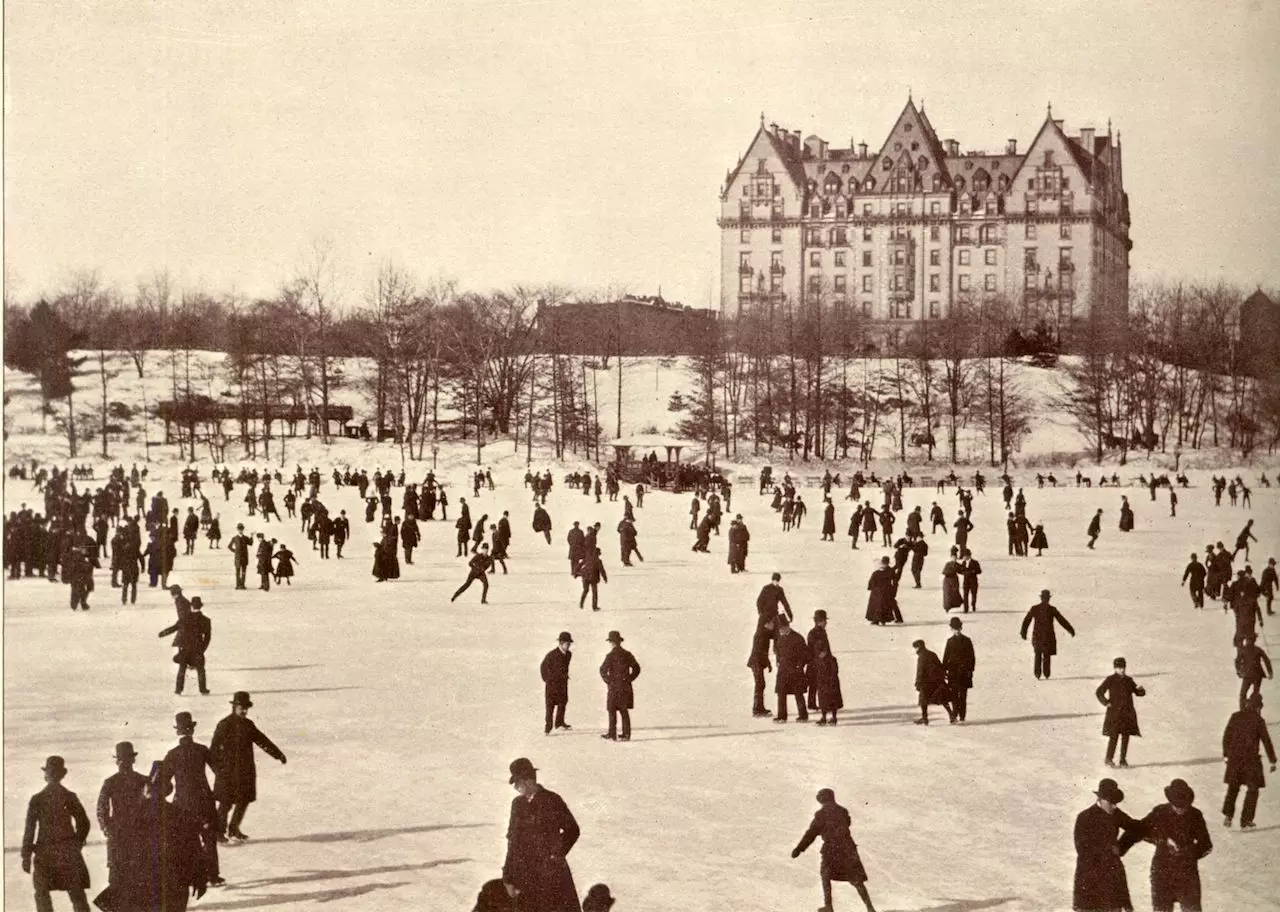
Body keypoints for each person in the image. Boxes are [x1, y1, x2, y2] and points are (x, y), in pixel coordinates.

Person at [502, 758, 581, 911]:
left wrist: (556, 854)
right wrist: (507, 875)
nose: (516, 788)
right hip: (525, 873)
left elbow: (572, 830)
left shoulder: (552, 800)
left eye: (518, 783)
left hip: (551, 873)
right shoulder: (517, 804)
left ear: (528, 781)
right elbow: (513, 840)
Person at [1123, 779, 1212, 912]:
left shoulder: (1195, 815)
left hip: (1187, 874)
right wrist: (1120, 847)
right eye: (1177, 805)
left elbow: (1206, 844)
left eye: (1184, 806)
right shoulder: (1160, 812)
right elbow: (1140, 829)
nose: (1180, 809)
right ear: (1171, 802)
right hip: (1162, 873)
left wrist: (1187, 852)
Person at [210, 691, 287, 843]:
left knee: (243, 801)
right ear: (234, 707)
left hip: (245, 771)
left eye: (246, 708)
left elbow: (262, 740)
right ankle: (219, 832)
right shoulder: (224, 724)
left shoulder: (248, 725)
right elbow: (213, 750)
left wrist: (278, 754)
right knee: (225, 803)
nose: (244, 711)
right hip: (227, 772)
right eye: (241, 708)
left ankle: (234, 829)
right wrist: (218, 770)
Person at [22, 755, 92, 912]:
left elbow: (29, 830)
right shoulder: (69, 796)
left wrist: (26, 856)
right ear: (62, 775)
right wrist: (77, 844)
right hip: (67, 852)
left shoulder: (37, 799)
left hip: (45, 854)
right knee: (77, 895)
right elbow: (84, 823)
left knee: (42, 895)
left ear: (47, 774)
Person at [159, 712, 222, 888]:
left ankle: (189, 877)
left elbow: (163, 782)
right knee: (209, 839)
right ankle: (213, 876)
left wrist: (169, 792)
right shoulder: (202, 750)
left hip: (183, 804)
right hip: (204, 801)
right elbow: (220, 771)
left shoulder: (172, 754)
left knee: (186, 841)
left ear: (177, 732)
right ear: (192, 730)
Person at [790, 789, 877, 912]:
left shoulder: (821, 814)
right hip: (848, 848)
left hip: (831, 848)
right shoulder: (842, 811)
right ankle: (870, 908)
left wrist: (799, 848)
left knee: (825, 874)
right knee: (856, 879)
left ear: (822, 798)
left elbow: (811, 833)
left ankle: (828, 906)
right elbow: (847, 823)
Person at [1073, 778, 1142, 912]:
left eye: (1116, 803)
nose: (1114, 806)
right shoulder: (1084, 817)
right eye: (1111, 803)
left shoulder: (1116, 814)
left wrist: (1121, 847)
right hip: (1089, 877)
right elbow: (1082, 848)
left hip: (1111, 876)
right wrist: (1109, 849)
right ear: (1101, 799)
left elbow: (1135, 827)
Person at [96, 742, 148, 906]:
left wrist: (107, 829)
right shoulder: (143, 780)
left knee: (119, 875)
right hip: (137, 832)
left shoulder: (111, 782)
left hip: (120, 833)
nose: (124, 762)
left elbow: (101, 810)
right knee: (138, 872)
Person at [1222, 693, 1277, 829]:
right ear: (1257, 707)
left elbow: (1226, 737)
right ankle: (1246, 820)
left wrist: (1226, 755)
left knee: (1233, 787)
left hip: (1234, 759)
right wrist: (1272, 760)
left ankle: (1228, 817)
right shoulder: (1259, 720)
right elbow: (1266, 741)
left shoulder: (1235, 716)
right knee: (1253, 790)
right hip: (1251, 761)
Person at [1096, 657, 1147, 768]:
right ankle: (1108, 759)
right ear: (1115, 668)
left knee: (1125, 737)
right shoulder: (1110, 679)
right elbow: (1099, 692)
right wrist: (1106, 702)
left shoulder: (1129, 680)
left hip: (1127, 713)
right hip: (1114, 713)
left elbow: (1138, 692)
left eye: (1123, 667)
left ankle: (1123, 760)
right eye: (1119, 667)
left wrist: (1141, 690)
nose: (1122, 670)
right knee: (1113, 736)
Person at [159, 596, 212, 696]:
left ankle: (178, 689)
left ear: (191, 606)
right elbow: (207, 637)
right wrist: (202, 649)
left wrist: (163, 633)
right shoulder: (206, 620)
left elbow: (175, 627)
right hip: (197, 648)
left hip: (184, 648)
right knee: (201, 669)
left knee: (182, 668)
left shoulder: (185, 617)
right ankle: (203, 689)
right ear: (200, 607)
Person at [1020, 589, 1076, 680]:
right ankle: (1045, 674)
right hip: (1047, 636)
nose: (1046, 600)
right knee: (1045, 655)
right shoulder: (1051, 609)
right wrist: (1070, 630)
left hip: (1038, 635)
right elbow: (1062, 620)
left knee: (1038, 654)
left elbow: (1026, 620)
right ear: (1047, 598)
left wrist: (1023, 632)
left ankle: (1038, 674)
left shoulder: (1036, 608)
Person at [600, 630, 640, 741]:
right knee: (623, 710)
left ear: (612, 642)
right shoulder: (627, 654)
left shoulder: (610, 655)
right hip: (624, 686)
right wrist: (629, 679)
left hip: (614, 687)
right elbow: (637, 668)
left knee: (612, 710)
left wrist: (608, 681)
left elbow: (602, 670)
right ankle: (626, 735)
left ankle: (612, 734)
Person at [773, 617, 810, 723]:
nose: (780, 631)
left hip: (795, 670)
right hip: (783, 670)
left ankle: (803, 715)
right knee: (781, 693)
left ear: (787, 627)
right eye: (779, 629)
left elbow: (805, 654)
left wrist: (799, 666)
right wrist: (778, 660)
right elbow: (777, 650)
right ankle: (781, 716)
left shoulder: (797, 638)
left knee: (798, 693)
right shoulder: (780, 638)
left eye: (781, 628)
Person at [942, 617, 975, 723]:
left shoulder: (967, 640)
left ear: (961, 628)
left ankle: (962, 716)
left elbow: (972, 657)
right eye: (954, 629)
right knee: (954, 696)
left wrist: (970, 670)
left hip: (964, 673)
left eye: (958, 629)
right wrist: (944, 671)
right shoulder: (950, 641)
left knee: (963, 696)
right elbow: (945, 657)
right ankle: (954, 715)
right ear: (951, 629)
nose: (956, 631)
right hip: (953, 673)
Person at [912, 639, 952, 725]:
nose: (915, 650)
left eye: (915, 648)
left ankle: (925, 718)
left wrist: (918, 682)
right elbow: (940, 665)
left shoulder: (921, 657)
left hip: (926, 682)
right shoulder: (932, 654)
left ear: (918, 647)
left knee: (923, 700)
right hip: (937, 681)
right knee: (942, 698)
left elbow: (920, 671)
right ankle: (951, 715)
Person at [541, 632, 573, 734]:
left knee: (563, 702)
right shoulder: (551, 655)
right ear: (561, 643)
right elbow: (543, 668)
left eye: (569, 644)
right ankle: (548, 727)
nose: (568, 646)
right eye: (567, 644)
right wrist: (548, 680)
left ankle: (559, 723)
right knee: (550, 705)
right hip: (552, 685)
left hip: (563, 684)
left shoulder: (568, 654)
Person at [748, 614, 776, 718]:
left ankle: (759, 707)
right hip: (756, 662)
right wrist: (767, 662)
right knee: (760, 684)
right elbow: (760, 652)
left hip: (758, 662)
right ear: (766, 624)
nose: (773, 624)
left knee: (760, 684)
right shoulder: (761, 635)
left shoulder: (763, 633)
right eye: (771, 622)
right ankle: (757, 709)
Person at [1235, 633, 1272, 710]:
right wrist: (1270, 672)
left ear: (1247, 640)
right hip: (1257, 675)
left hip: (1247, 675)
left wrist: (1239, 671)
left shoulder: (1243, 650)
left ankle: (1242, 711)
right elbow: (1266, 660)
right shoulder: (1258, 649)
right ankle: (1256, 711)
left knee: (1242, 694)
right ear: (1254, 640)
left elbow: (1237, 661)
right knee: (1256, 694)